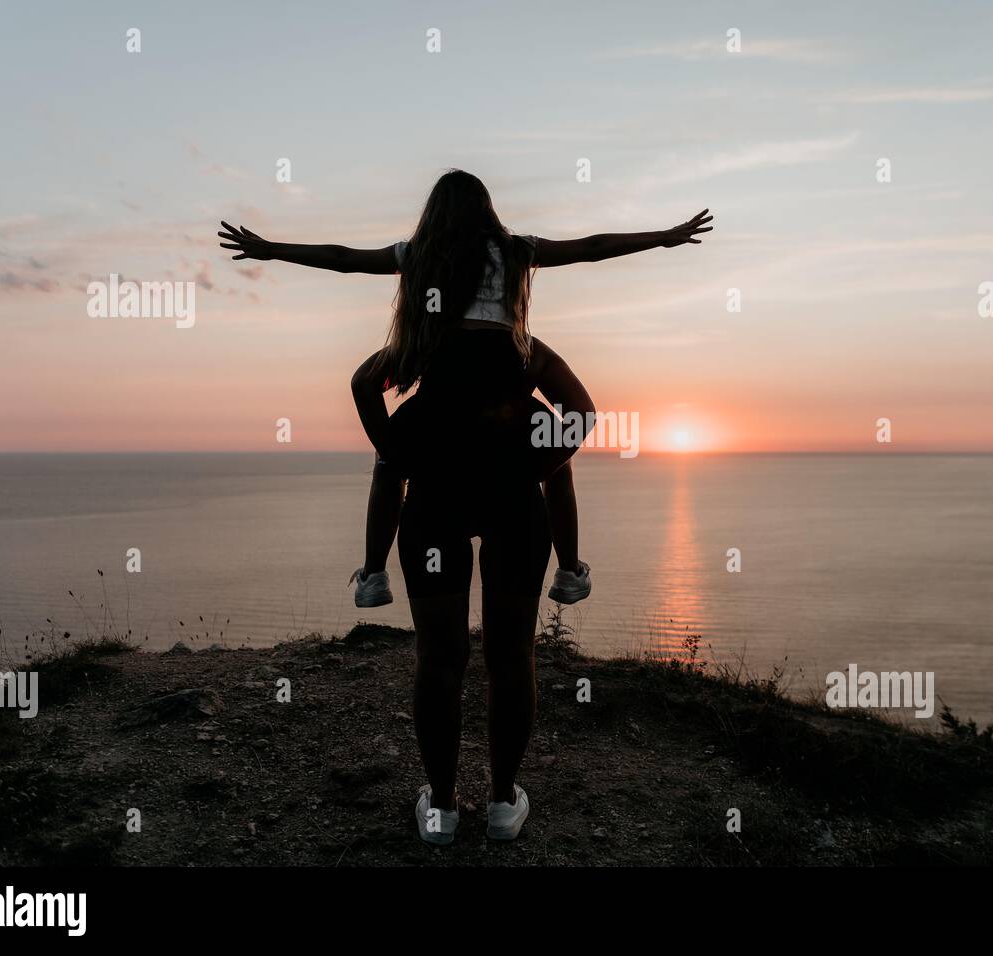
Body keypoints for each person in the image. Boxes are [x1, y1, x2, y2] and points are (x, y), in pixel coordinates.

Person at [219, 169, 712, 843]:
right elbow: (591, 271)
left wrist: (273, 250)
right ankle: (505, 802)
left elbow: (343, 276)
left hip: (435, 504)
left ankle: (444, 809)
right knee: (513, 659)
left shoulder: (418, 330)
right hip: (513, 505)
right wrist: (664, 237)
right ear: (490, 220)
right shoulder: (521, 318)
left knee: (440, 660)